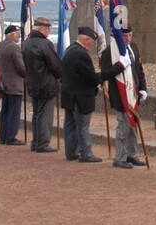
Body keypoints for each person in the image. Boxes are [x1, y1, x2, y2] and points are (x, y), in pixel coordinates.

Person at [61, 27, 124, 162]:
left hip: (69, 96)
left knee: (70, 125)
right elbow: (93, 78)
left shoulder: (69, 50)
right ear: (86, 40)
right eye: (91, 42)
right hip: (80, 97)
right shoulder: (81, 54)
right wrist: (116, 69)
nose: (92, 45)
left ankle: (71, 152)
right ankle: (86, 153)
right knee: (82, 126)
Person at [101, 25, 147, 169]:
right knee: (123, 126)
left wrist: (143, 89)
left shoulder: (133, 47)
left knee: (133, 126)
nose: (127, 39)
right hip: (120, 95)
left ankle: (131, 154)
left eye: (130, 36)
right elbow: (105, 74)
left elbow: (139, 70)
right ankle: (119, 157)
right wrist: (120, 65)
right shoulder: (110, 52)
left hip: (133, 95)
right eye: (124, 36)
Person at [22, 17, 63, 153]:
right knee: (45, 115)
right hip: (46, 84)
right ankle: (43, 143)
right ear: (43, 29)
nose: (49, 31)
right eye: (48, 28)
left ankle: (36, 141)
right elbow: (55, 65)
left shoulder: (26, 43)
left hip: (33, 83)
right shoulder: (45, 44)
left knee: (37, 113)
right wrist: (60, 74)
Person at [0, 24, 26, 145]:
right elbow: (20, 67)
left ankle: (4, 136)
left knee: (5, 111)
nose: (19, 36)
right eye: (17, 34)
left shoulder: (1, 45)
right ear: (12, 35)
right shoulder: (13, 47)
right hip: (14, 83)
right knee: (14, 112)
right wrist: (26, 73)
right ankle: (11, 137)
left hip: (4, 82)